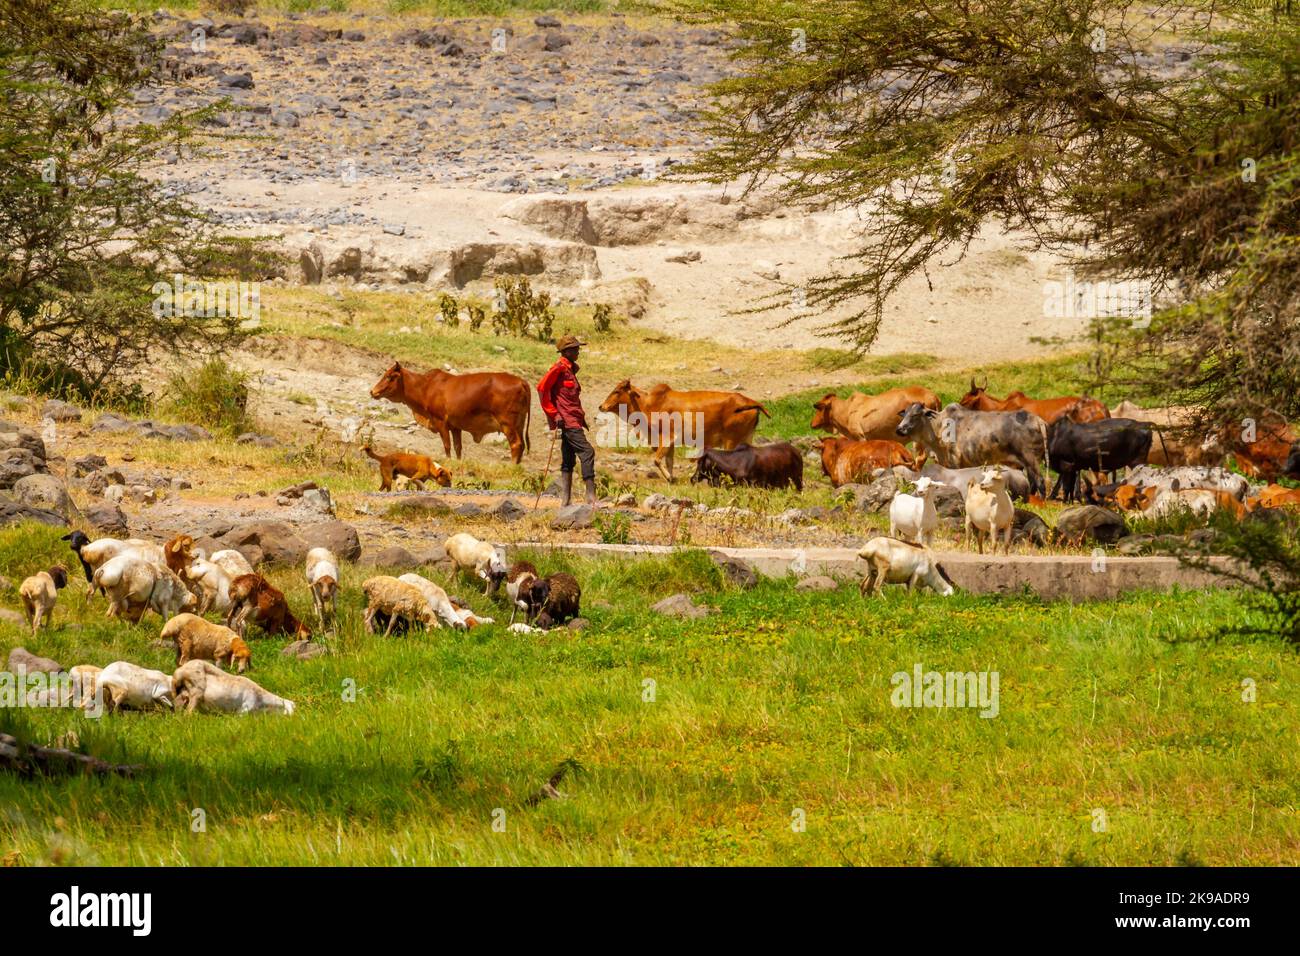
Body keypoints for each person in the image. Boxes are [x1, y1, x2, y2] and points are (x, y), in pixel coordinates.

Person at [537, 333, 596, 506]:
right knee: (587, 452)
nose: (578, 351)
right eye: (575, 349)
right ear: (567, 351)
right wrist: (554, 414)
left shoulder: (570, 369)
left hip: (573, 420)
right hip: (568, 421)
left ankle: (566, 501)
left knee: (568, 459)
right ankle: (591, 498)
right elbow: (542, 388)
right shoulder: (559, 368)